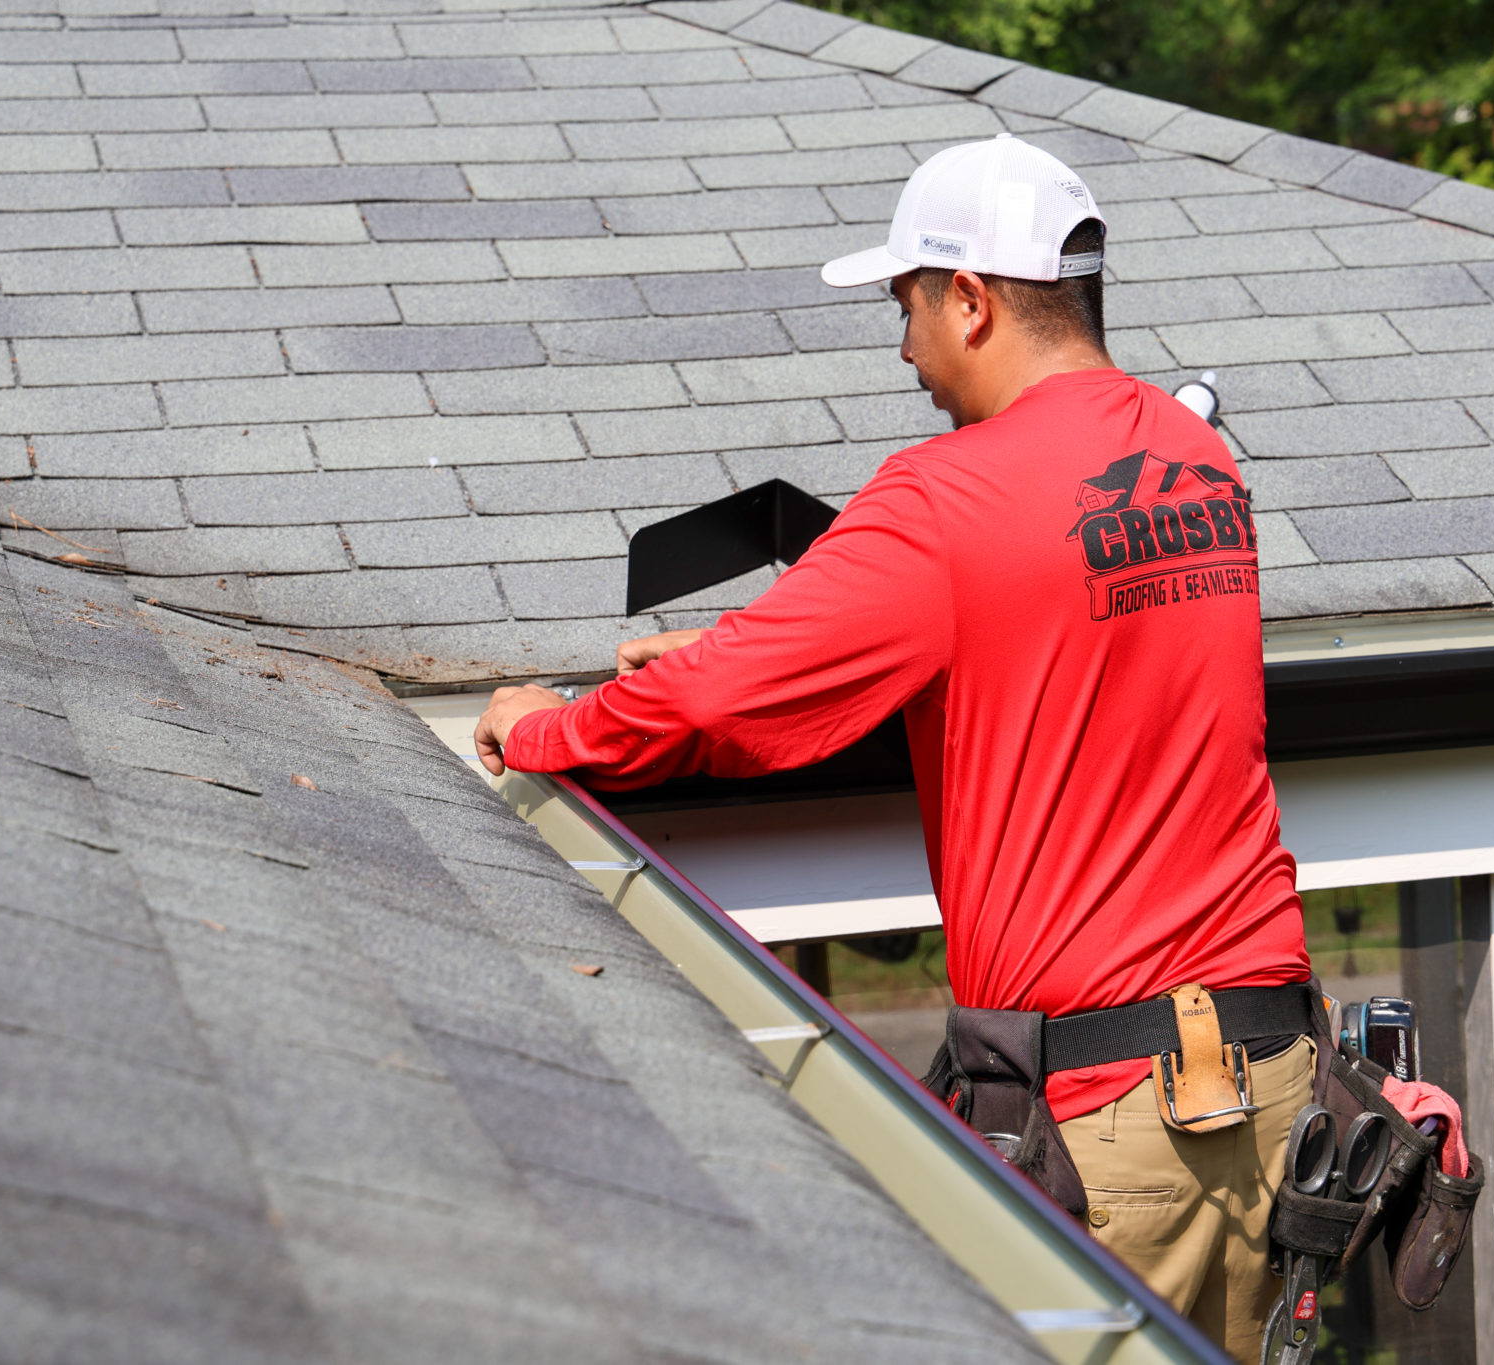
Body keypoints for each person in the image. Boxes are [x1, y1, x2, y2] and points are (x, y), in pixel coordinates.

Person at [474, 133, 1312, 1362]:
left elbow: (719, 711)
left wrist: (539, 727)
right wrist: (761, 645)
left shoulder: (945, 496)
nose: (903, 346)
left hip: (1112, 1115)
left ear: (969, 300)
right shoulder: (1195, 456)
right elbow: (1051, 632)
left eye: (906, 303)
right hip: (1275, 1087)